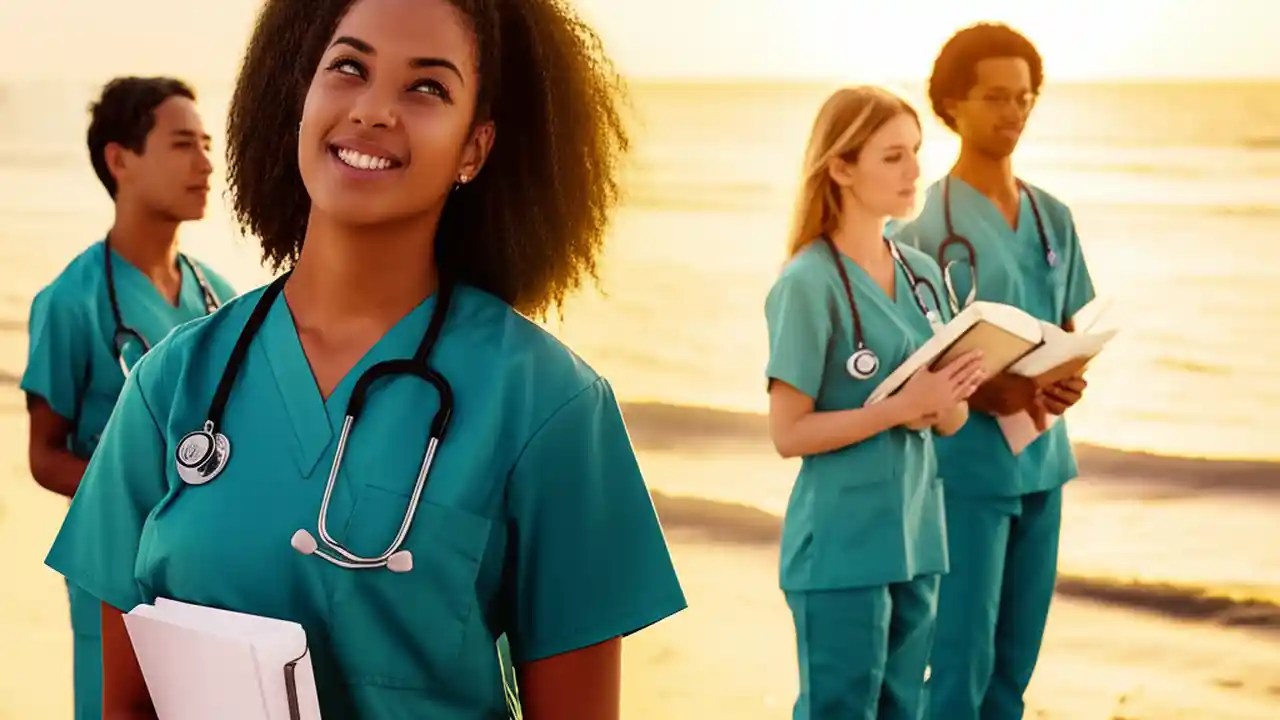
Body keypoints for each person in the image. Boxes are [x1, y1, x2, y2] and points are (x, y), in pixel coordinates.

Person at [43, 0, 687, 718]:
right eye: (349, 68)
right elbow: (125, 703)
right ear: (301, 97)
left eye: (427, 87)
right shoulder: (172, 386)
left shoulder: (550, 405)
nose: (374, 110)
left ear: (474, 148)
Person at [889, 23, 1098, 720]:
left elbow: (1069, 327)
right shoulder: (921, 230)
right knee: (959, 668)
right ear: (953, 103)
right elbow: (905, 365)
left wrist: (1068, 377)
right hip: (966, 476)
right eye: (996, 97)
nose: (1014, 111)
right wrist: (981, 391)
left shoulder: (1052, 217)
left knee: (1013, 670)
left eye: (1025, 97)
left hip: (1044, 465)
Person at [765, 85, 988, 720]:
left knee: (901, 710)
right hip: (841, 544)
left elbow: (952, 419)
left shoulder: (920, 273)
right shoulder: (807, 283)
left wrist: (949, 397)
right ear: (840, 167)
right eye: (892, 156)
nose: (915, 170)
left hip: (917, 537)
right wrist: (895, 408)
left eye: (916, 152)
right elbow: (789, 433)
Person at [22, 75, 235, 720]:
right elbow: (44, 454)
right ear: (120, 160)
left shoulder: (221, 302)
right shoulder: (70, 302)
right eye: (181, 145)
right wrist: (149, 499)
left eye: (206, 144)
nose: (205, 164)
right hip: (114, 565)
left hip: (210, 574)